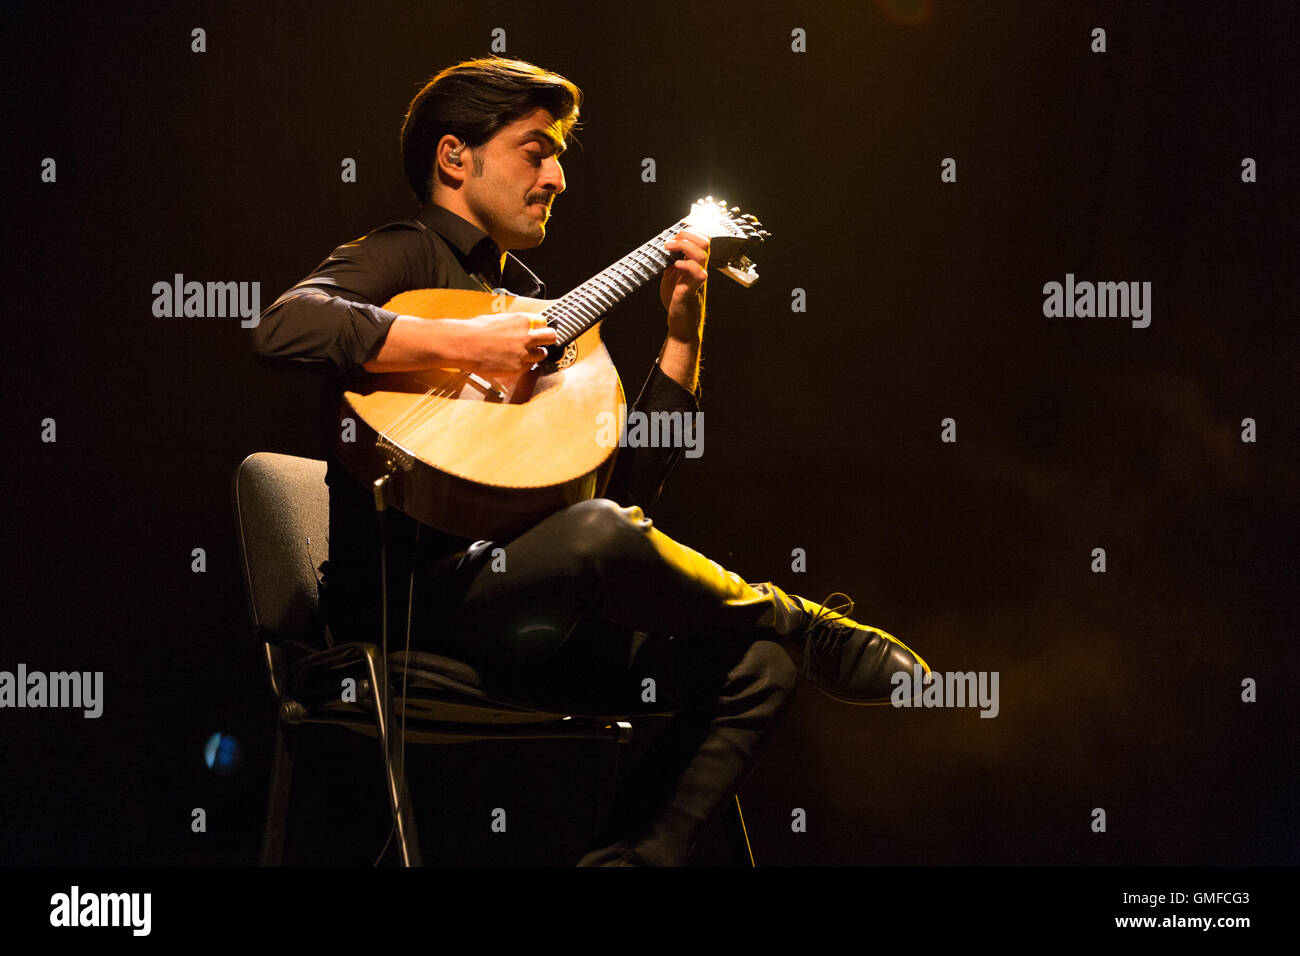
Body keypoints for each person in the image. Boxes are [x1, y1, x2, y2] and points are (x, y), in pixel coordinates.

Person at [252, 56, 929, 866]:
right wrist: (469, 341)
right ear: (454, 158)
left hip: (525, 616)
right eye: (535, 151)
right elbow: (284, 326)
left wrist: (681, 339)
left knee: (757, 664)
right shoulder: (405, 256)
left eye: (559, 155)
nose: (558, 176)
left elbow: (623, 492)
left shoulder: (540, 309)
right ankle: (802, 618)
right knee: (608, 541)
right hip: (405, 614)